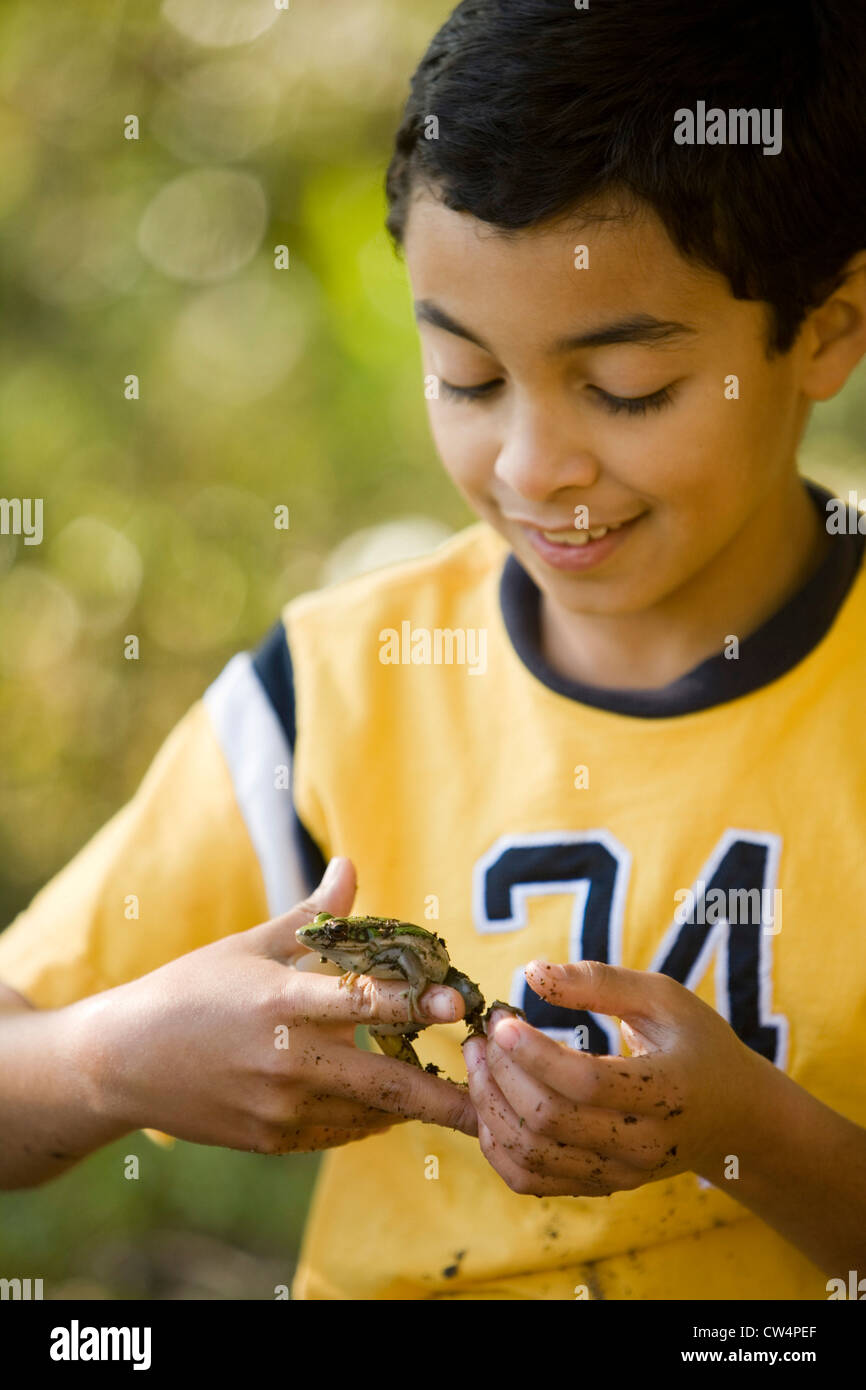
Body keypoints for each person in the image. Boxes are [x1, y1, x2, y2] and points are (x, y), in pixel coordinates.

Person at [1, 0, 865, 1299]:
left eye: (624, 391)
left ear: (825, 328)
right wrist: (105, 1058)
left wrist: (752, 1134)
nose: (529, 465)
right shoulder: (330, 692)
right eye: (465, 377)